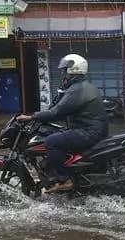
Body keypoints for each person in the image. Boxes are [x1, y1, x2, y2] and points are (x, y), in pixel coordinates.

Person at [18, 54, 108, 194]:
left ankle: (65, 179)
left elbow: (57, 111)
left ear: (73, 70)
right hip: (92, 129)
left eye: (64, 70)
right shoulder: (81, 86)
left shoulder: (77, 90)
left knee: (51, 142)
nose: (62, 74)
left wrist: (32, 117)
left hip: (88, 131)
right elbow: (61, 111)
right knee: (54, 134)